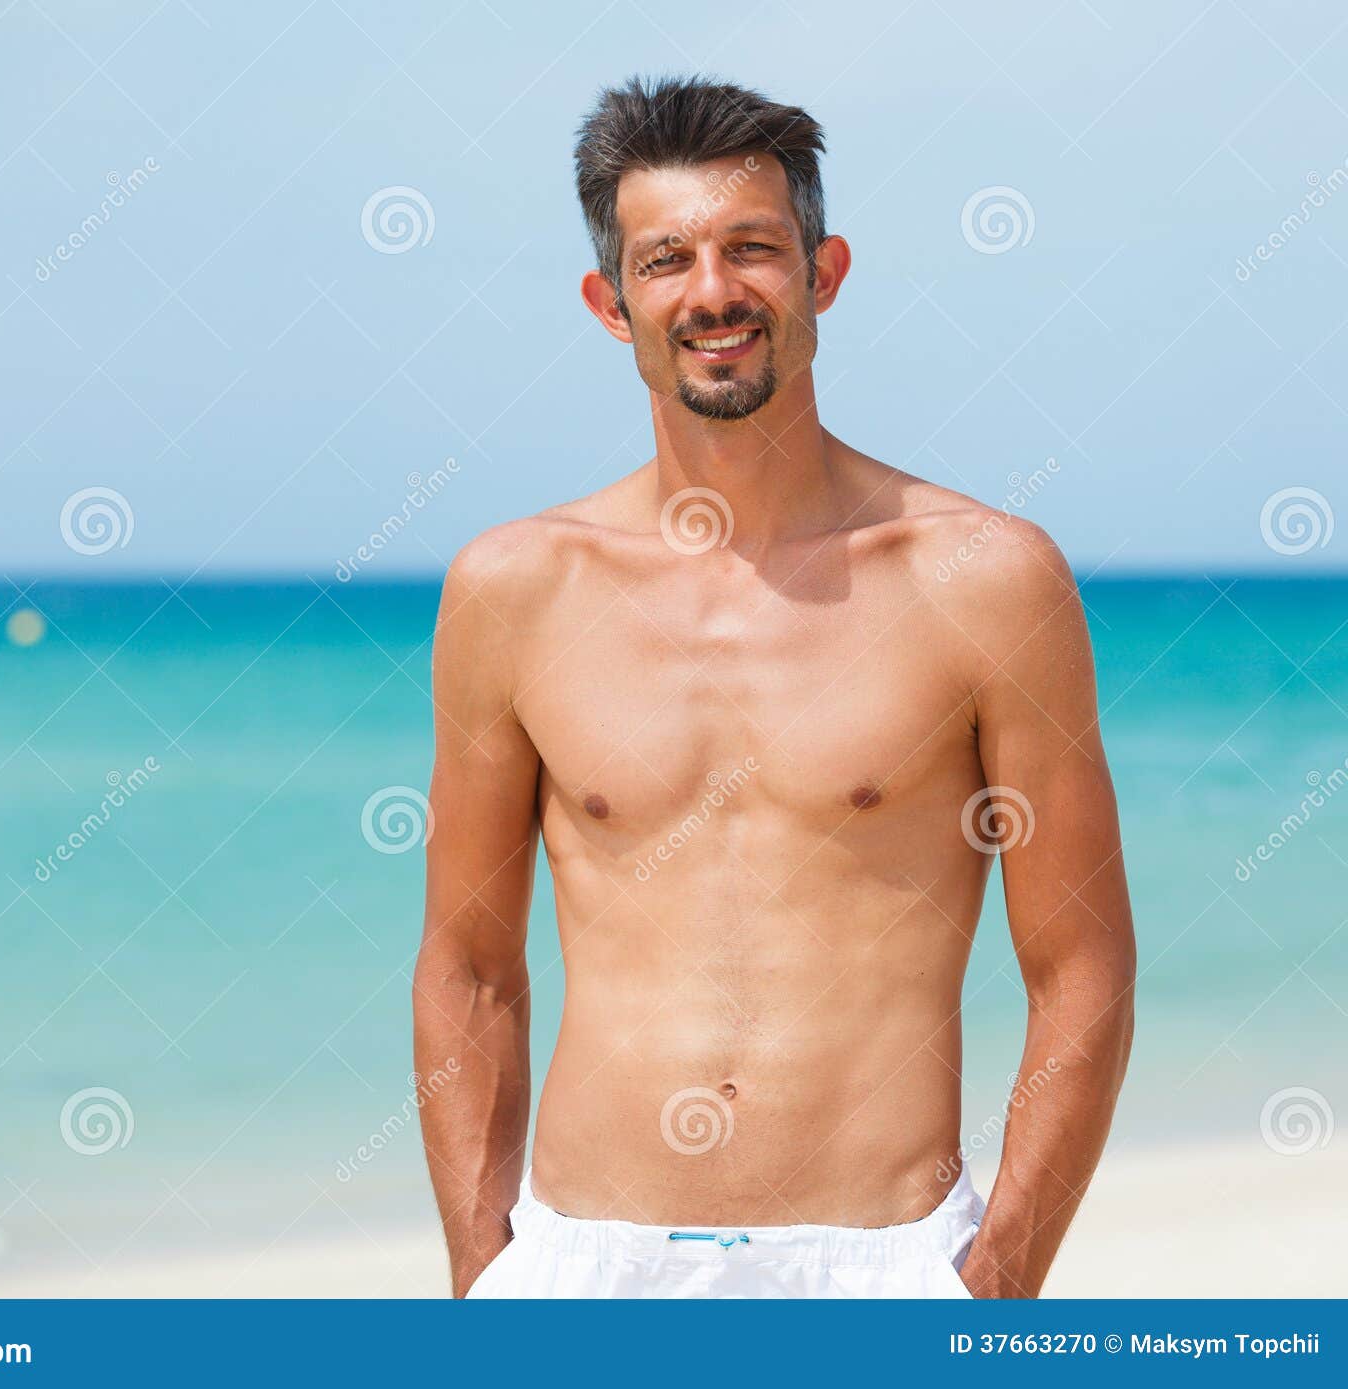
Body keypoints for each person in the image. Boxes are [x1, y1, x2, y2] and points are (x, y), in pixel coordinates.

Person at [412, 75, 1135, 1299]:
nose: (713, 293)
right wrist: (485, 1276)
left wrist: (994, 1283)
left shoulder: (985, 580)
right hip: (586, 1264)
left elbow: (1082, 966)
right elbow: (470, 963)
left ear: (824, 272)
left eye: (752, 249)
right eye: (666, 260)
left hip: (883, 1267)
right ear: (609, 302)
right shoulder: (513, 589)